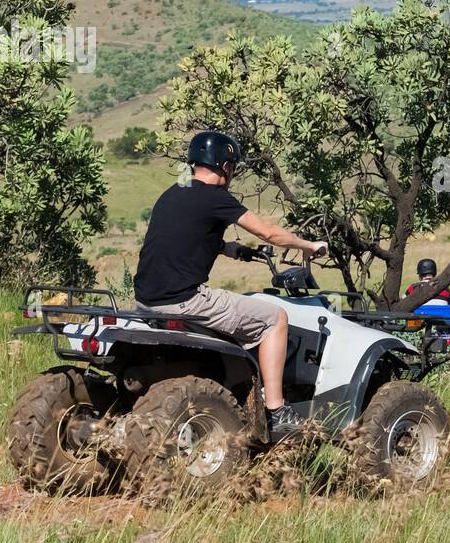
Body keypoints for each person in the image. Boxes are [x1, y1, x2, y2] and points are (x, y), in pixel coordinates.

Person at [133, 131, 327, 436]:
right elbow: (268, 233)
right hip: (185, 301)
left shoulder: (173, 193)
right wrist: (308, 245)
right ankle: (277, 411)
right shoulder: (216, 197)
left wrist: (228, 248)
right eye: (232, 166)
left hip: (146, 301)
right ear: (224, 165)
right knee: (275, 319)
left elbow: (184, 235)